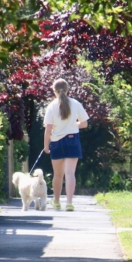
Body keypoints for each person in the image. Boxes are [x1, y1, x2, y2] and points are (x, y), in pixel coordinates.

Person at [43, 78, 89, 211]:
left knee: (58, 175)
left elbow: (48, 129)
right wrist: (73, 125)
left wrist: (46, 146)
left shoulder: (51, 106)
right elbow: (84, 124)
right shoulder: (75, 103)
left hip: (56, 141)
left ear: (54, 91)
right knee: (70, 173)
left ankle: (57, 202)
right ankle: (69, 203)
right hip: (72, 139)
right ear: (68, 89)